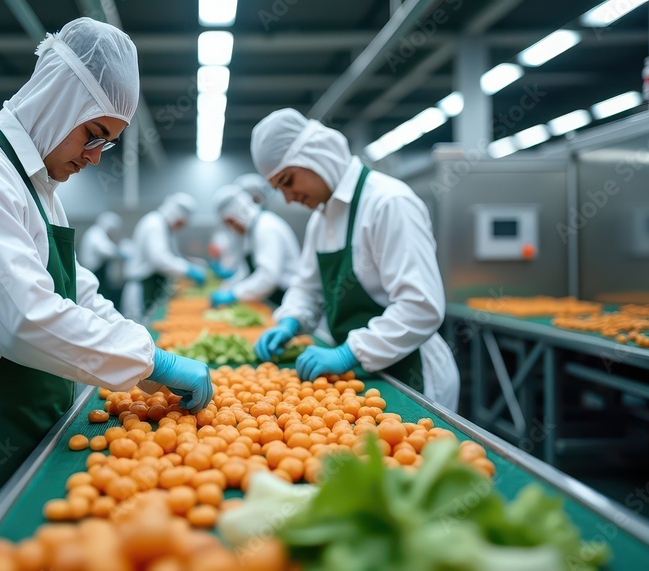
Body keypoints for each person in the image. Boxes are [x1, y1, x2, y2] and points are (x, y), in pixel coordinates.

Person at [0, 19, 213, 569]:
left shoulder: (40, 190)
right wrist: (152, 359)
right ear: (57, 101)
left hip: (37, 415)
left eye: (110, 142)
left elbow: (83, 297)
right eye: (93, 133)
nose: (97, 155)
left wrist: (146, 352)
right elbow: (22, 320)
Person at [250, 108, 459, 411]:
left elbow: (421, 306)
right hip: (358, 375)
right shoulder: (321, 219)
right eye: (278, 189)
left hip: (411, 374)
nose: (288, 198)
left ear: (313, 155)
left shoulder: (388, 203)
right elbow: (306, 289)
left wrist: (349, 352)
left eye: (288, 180)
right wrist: (291, 320)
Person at [208, 184, 301, 308]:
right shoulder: (252, 232)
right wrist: (226, 287)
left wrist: (234, 294)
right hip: (273, 298)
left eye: (230, 222)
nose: (232, 228)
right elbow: (245, 271)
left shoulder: (266, 228)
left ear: (238, 214)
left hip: (286, 297)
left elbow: (267, 277)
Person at [122, 193, 206, 320]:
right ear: (175, 217)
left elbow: (174, 255)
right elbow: (160, 260)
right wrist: (188, 270)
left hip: (151, 286)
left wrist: (195, 263)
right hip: (142, 288)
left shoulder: (164, 227)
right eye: (180, 223)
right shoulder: (154, 224)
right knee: (140, 327)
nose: (179, 228)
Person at [79, 211, 125, 305]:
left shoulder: (96, 232)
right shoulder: (96, 233)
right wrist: (121, 252)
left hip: (96, 271)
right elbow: (107, 250)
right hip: (93, 271)